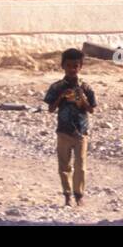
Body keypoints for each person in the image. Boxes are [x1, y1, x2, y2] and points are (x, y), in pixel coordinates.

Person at [44, 48, 97, 206]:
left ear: (80, 67)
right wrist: (61, 97)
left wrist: (82, 100)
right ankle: (67, 195)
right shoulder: (57, 87)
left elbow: (91, 109)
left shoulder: (86, 87)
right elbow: (51, 109)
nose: (72, 69)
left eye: (76, 66)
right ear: (63, 66)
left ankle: (79, 195)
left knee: (80, 166)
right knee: (64, 165)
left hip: (81, 131)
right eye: (69, 66)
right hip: (63, 131)